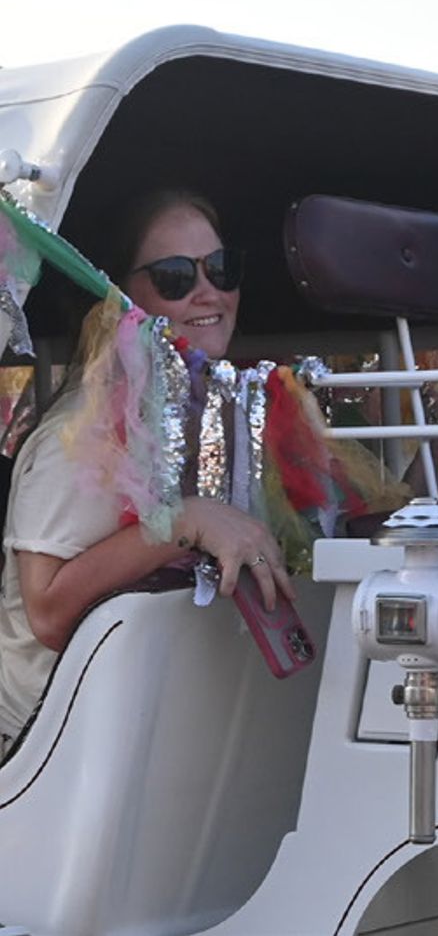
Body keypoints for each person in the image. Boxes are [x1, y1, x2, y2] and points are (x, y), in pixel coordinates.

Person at [0, 189, 295, 748]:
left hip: (155, 720)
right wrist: (185, 521)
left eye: (221, 268)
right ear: (120, 298)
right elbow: (47, 611)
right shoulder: (82, 432)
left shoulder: (214, 411)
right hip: (47, 744)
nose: (209, 291)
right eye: (175, 277)